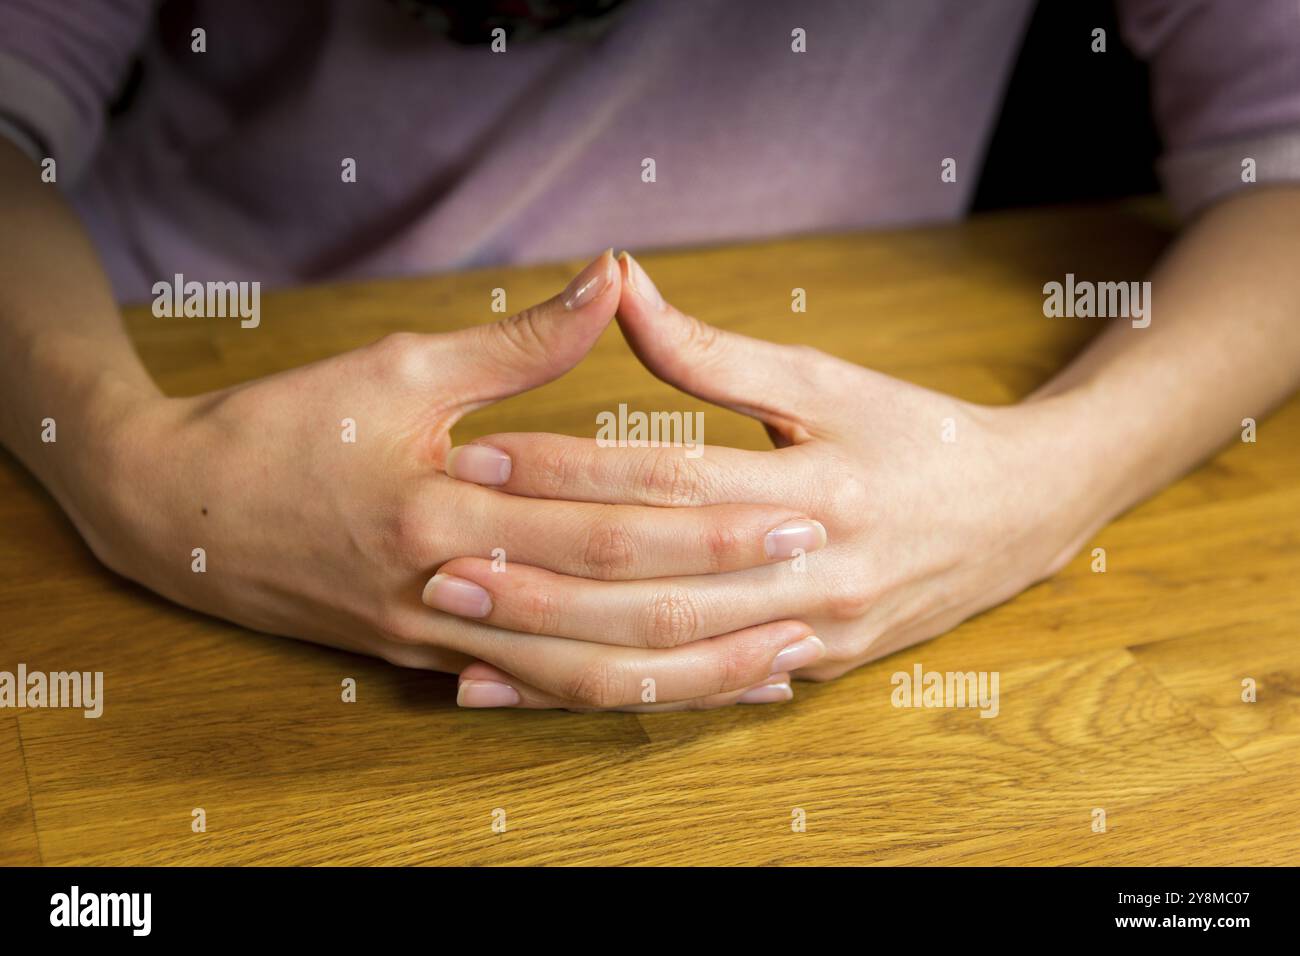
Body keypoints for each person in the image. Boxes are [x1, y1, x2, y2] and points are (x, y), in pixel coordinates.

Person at [1, 0, 1298, 711]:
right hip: (176, 397)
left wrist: (1047, 481)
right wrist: (130, 464)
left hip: (876, 469)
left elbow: (1283, 158)